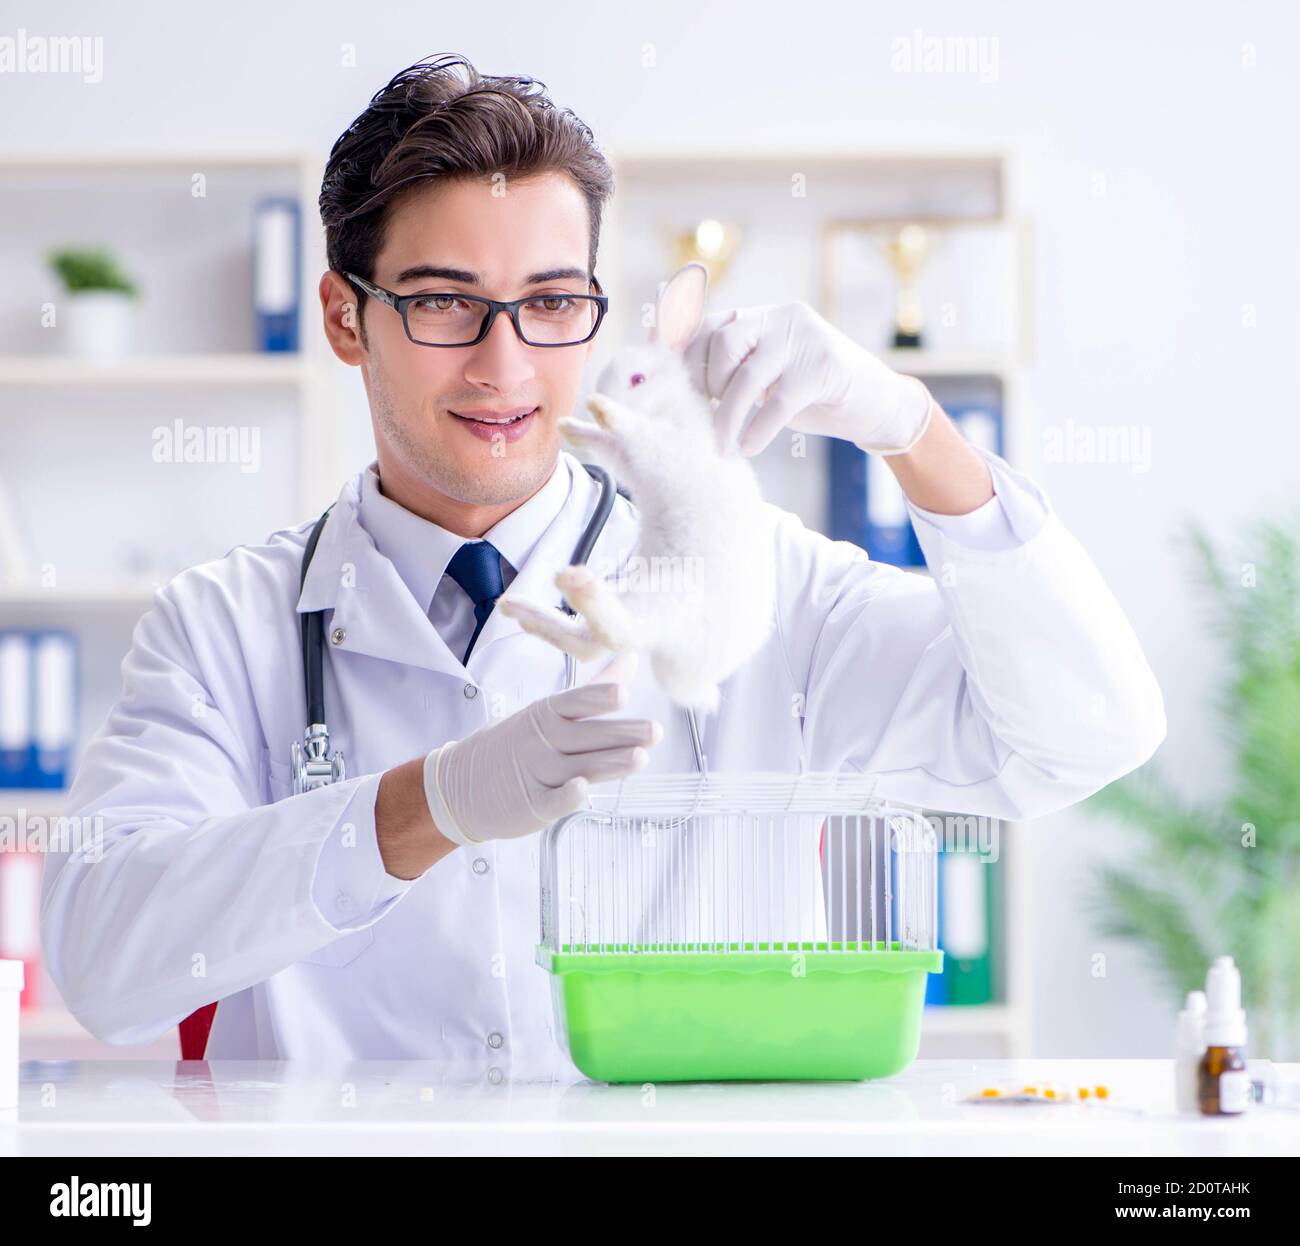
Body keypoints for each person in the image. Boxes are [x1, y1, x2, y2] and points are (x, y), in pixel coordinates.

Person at [40, 53, 1165, 1076]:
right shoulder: (222, 624)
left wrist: (915, 432)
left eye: (550, 303)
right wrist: (421, 808)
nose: (505, 362)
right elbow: (104, 962)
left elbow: (1087, 734)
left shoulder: (755, 578)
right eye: (442, 302)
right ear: (344, 315)